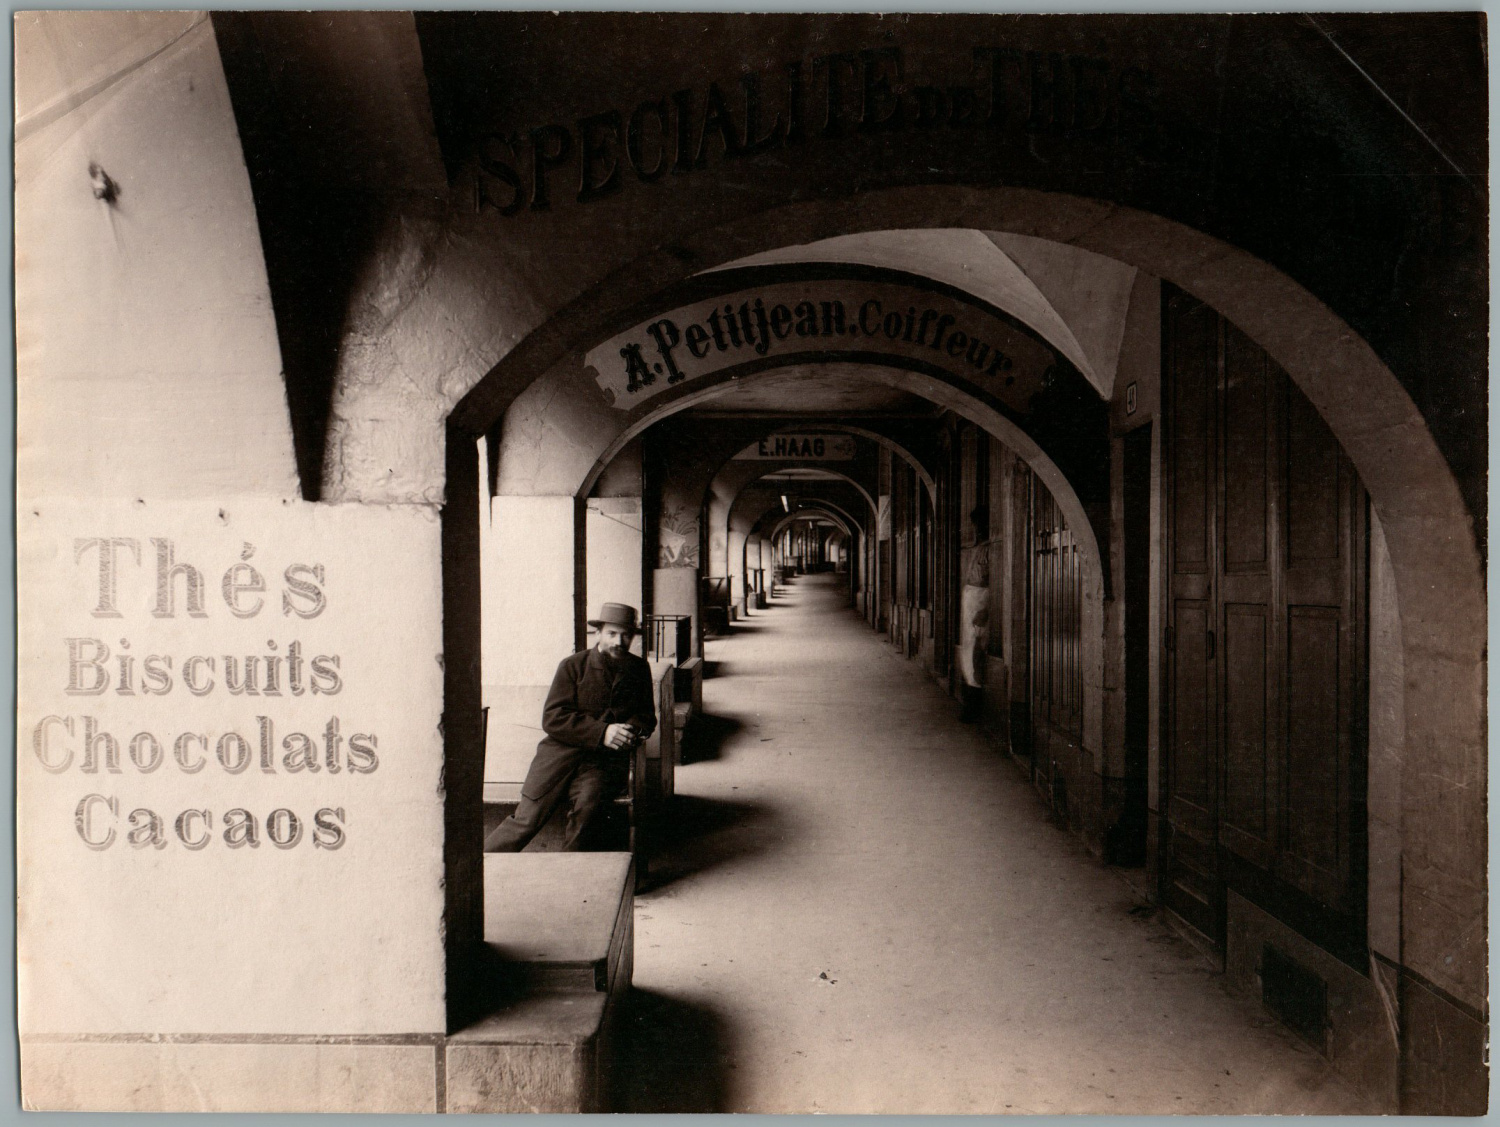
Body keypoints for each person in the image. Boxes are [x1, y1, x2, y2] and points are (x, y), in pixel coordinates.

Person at [483, 602, 657, 852]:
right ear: (598, 633)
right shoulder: (572, 666)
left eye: (626, 635)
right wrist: (603, 732)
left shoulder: (639, 669)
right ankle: (480, 866)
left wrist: (629, 731)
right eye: (612, 633)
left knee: (586, 815)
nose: (619, 641)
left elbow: (646, 716)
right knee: (525, 821)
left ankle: (569, 870)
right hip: (557, 758)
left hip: (600, 763)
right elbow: (553, 717)